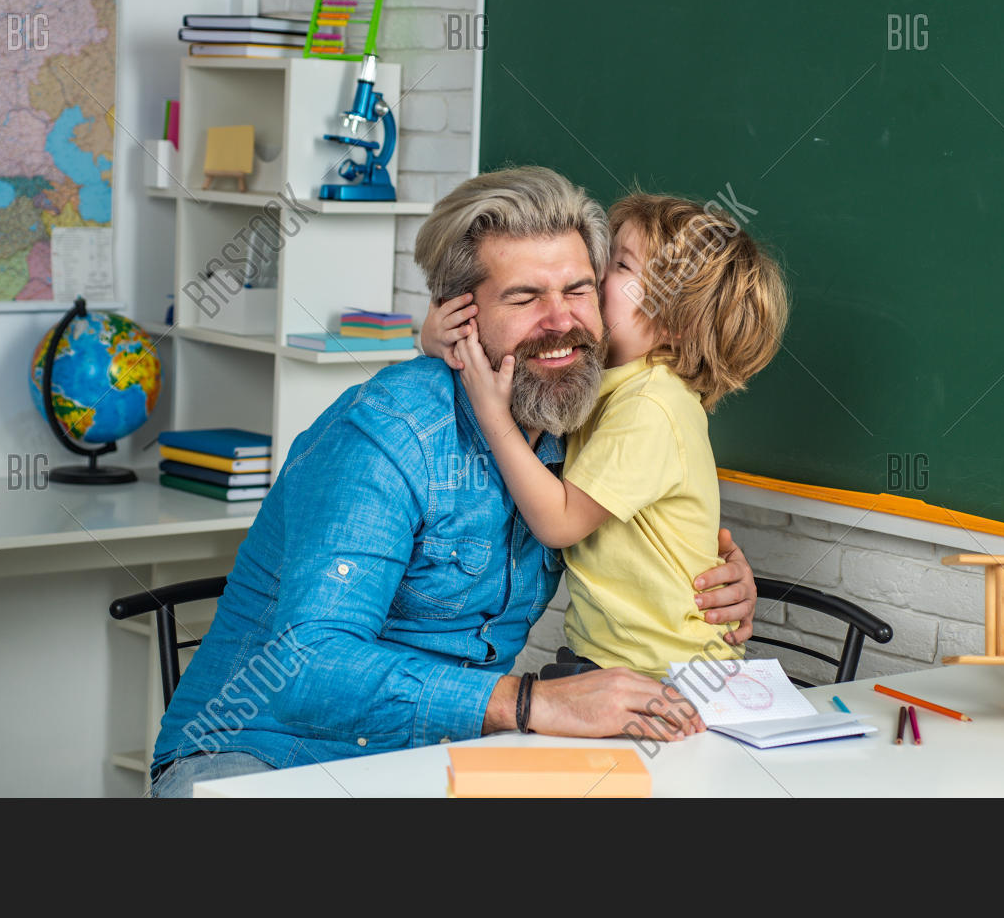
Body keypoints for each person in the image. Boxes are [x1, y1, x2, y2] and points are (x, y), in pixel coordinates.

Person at [148, 166, 759, 797]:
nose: (559, 321)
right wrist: (530, 704)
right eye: (524, 298)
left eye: (580, 290)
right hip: (261, 758)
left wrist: (712, 590)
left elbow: (631, 540)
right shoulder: (390, 435)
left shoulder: (571, 427)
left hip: (431, 764)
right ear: (460, 316)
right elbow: (306, 663)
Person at [423, 193, 787, 679]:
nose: (594, 275)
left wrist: (495, 417)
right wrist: (435, 339)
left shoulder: (650, 405)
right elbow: (505, 358)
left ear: (675, 324)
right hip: (621, 659)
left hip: (661, 671)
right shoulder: (602, 378)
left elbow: (560, 521)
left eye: (621, 266)